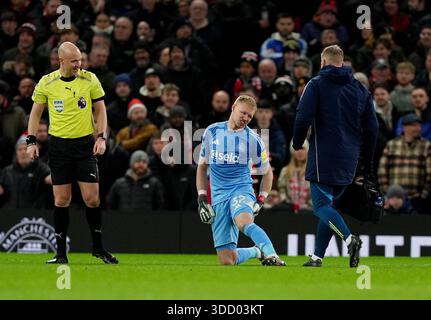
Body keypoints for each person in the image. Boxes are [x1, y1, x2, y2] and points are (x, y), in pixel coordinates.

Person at [26, 41, 118, 264]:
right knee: (61, 200)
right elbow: (35, 114)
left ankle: (97, 248)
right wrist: (31, 142)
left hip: (84, 145)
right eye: (74, 60)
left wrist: (101, 137)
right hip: (59, 147)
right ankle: (60, 254)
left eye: (80, 60)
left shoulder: (90, 79)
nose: (79, 64)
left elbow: (101, 110)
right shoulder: (47, 83)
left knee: (92, 199)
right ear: (61, 61)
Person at [292, 45, 379, 268]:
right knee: (331, 207)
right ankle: (317, 257)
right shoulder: (360, 89)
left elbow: (303, 117)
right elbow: (372, 128)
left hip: (324, 155)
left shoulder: (317, 84)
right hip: (350, 159)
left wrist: (297, 141)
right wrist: (367, 163)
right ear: (342, 63)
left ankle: (350, 240)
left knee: (321, 206)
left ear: (322, 62)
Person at [196, 94, 286, 266]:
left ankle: (272, 255)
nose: (245, 118)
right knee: (227, 260)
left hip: (241, 190)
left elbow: (267, 173)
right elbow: (201, 167)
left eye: (250, 116)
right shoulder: (211, 132)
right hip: (218, 196)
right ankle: (256, 251)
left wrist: (260, 199)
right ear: (233, 108)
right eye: (243, 113)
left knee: (243, 222)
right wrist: (202, 199)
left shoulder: (253, 140)